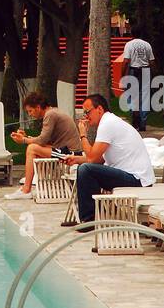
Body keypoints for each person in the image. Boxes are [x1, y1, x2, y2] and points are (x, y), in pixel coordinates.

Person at [65, 93, 155, 228]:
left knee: (85, 170)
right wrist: (77, 159)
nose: (86, 117)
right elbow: (99, 160)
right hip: (135, 176)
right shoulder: (110, 122)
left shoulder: (108, 123)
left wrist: (82, 134)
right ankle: (95, 215)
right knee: (84, 168)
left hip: (136, 179)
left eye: (87, 112)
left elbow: (92, 159)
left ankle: (89, 220)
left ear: (99, 109)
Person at [6, 89, 83, 200]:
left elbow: (42, 140)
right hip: (64, 150)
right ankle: (34, 183)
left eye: (30, 111)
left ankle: (26, 189)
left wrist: (23, 140)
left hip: (70, 154)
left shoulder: (50, 115)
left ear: (38, 107)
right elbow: (45, 140)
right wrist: (27, 137)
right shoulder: (53, 112)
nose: (30, 114)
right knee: (34, 148)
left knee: (32, 149)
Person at [118, 25, 155, 133]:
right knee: (145, 96)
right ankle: (143, 123)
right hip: (145, 71)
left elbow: (125, 61)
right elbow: (152, 61)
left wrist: (122, 75)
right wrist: (153, 74)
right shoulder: (147, 45)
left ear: (131, 34)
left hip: (133, 71)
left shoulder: (129, 45)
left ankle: (134, 118)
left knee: (131, 96)